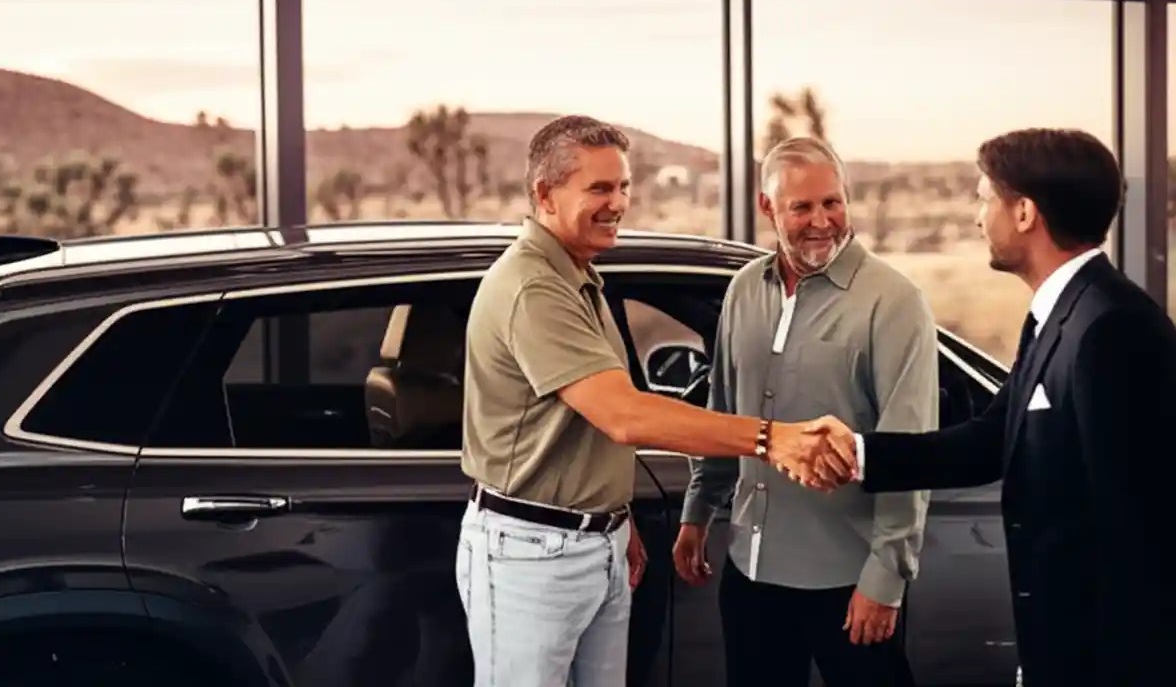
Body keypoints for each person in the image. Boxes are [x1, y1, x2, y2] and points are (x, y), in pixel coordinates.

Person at [455, 115, 847, 687]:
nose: (618, 203)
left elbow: (584, 417)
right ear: (545, 193)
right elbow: (625, 414)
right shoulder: (534, 288)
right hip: (532, 557)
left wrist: (613, 516)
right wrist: (773, 438)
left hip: (592, 541)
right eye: (599, 189)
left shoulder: (575, 277)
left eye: (623, 187)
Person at [803, 128, 1176, 687]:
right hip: (1056, 649)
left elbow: (1139, 536)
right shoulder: (1060, 313)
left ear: (1024, 212)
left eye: (983, 198)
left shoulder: (1113, 328)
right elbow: (989, 441)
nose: (978, 218)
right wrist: (857, 453)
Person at [672, 136, 934, 687]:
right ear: (768, 208)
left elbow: (910, 450)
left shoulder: (894, 302)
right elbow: (725, 410)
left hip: (849, 582)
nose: (822, 221)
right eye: (802, 207)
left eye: (832, 203)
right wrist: (698, 513)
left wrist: (885, 579)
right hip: (751, 572)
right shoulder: (744, 290)